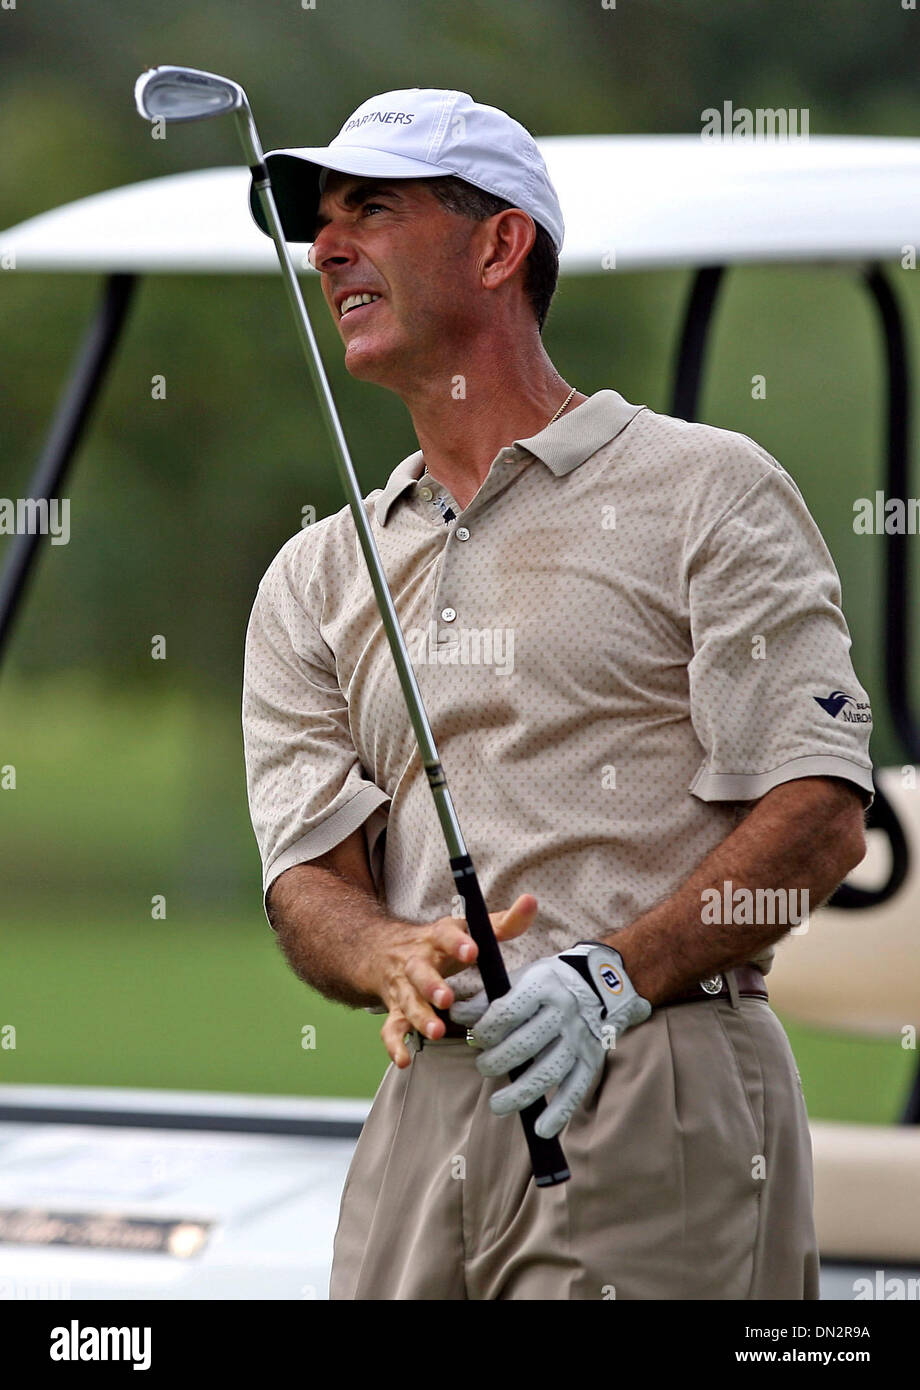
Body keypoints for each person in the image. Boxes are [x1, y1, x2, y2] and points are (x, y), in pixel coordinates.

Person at [242, 88, 873, 1300]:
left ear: (498, 244)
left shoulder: (707, 492)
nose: (325, 248)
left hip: (659, 1074)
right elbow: (308, 880)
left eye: (368, 209)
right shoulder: (316, 572)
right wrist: (386, 954)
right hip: (428, 1095)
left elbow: (817, 814)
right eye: (318, 222)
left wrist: (615, 979)